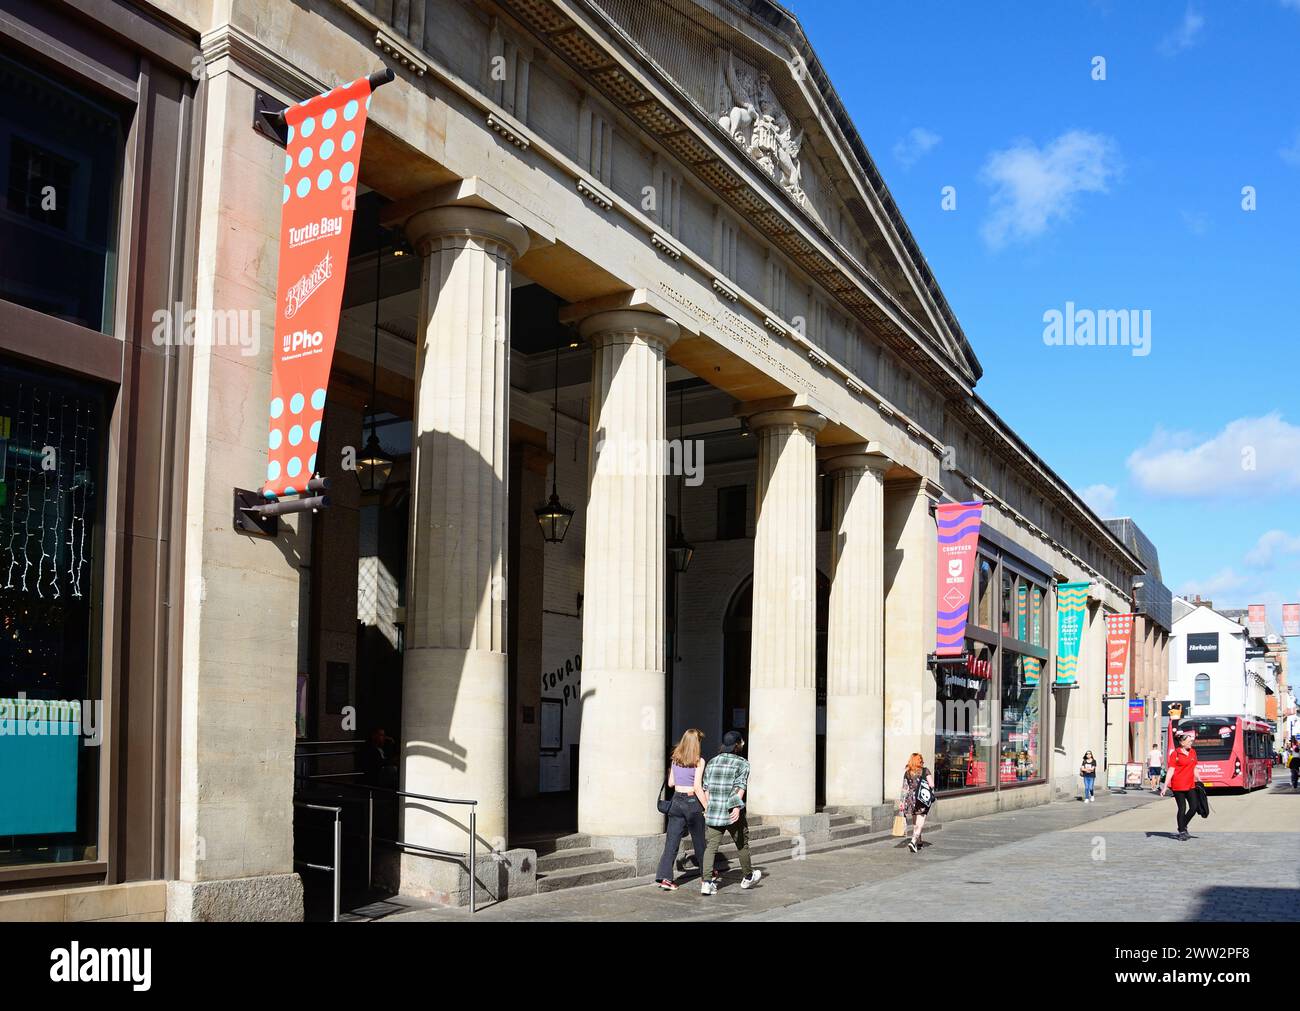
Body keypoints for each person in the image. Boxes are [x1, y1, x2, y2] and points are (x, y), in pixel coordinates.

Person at [699, 731, 761, 894]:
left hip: (714, 809)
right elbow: (740, 787)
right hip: (732, 809)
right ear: (737, 745)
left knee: (711, 847)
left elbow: (706, 787)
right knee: (742, 844)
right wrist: (736, 807)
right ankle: (748, 877)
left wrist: (707, 807)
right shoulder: (742, 763)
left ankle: (706, 882)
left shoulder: (712, 762)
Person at [653, 728, 709, 890]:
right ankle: (706, 876)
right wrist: (707, 807)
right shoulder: (699, 761)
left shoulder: (675, 759)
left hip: (676, 801)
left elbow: (670, 783)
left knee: (671, 842)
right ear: (696, 743)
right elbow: (698, 787)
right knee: (699, 841)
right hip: (692, 802)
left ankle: (665, 878)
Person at [1159, 731, 1199, 841]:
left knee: (1194, 807)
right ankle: (1182, 831)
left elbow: (1195, 767)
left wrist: (1199, 778)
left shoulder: (1193, 752)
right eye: (1189, 741)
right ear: (1182, 742)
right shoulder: (1175, 754)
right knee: (1182, 808)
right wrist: (1165, 786)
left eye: (1191, 741)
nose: (1191, 742)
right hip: (1178, 785)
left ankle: (1182, 825)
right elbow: (1171, 770)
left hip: (1190, 784)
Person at [898, 752, 935, 853]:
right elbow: (932, 784)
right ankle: (913, 841)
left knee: (915, 822)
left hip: (910, 799)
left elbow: (904, 788)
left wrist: (901, 802)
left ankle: (919, 842)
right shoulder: (925, 771)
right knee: (921, 821)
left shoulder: (908, 772)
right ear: (919, 761)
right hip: (921, 799)